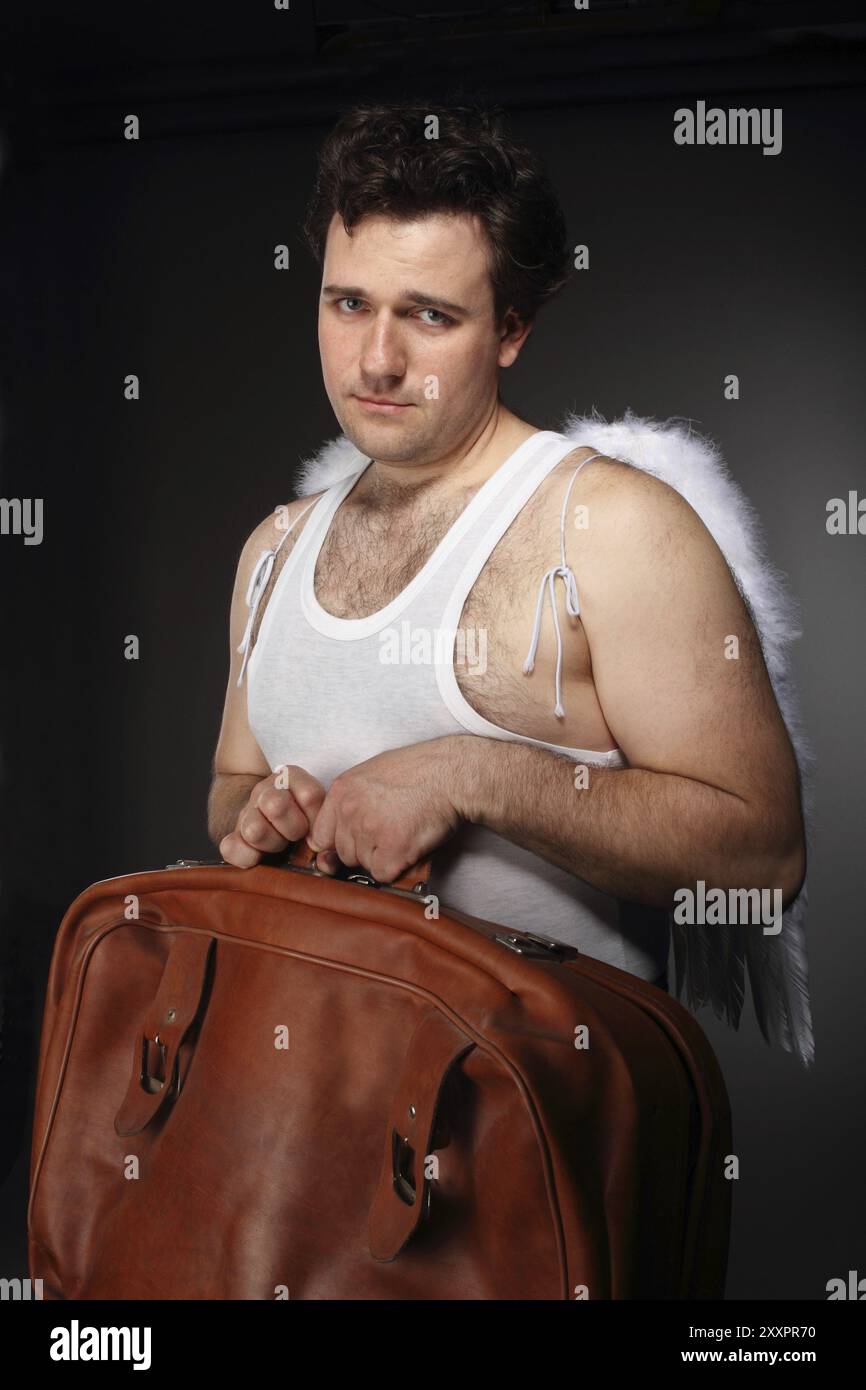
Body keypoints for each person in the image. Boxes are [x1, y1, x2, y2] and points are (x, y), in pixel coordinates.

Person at [206, 100, 806, 995]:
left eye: (430, 317)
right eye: (349, 304)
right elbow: (233, 776)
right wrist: (260, 815)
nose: (377, 360)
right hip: (311, 1104)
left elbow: (764, 860)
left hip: (534, 1117)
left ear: (512, 329)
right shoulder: (274, 550)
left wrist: (473, 774)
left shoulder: (608, 528)